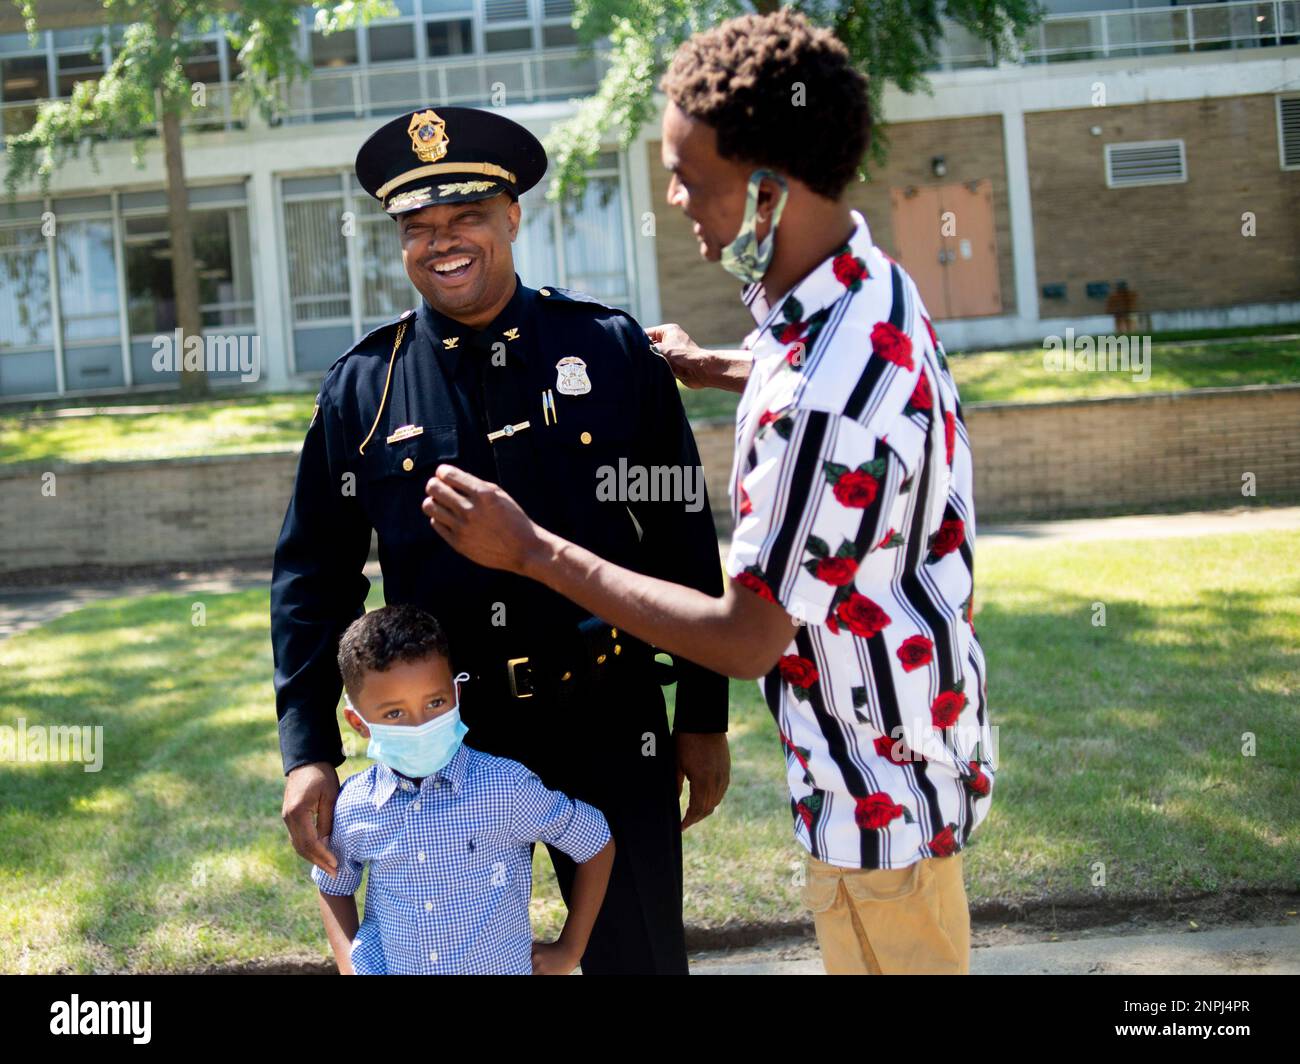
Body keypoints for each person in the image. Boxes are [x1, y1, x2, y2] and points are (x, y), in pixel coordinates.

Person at [422, 9, 995, 975]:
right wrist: (723, 368)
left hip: (875, 787)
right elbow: (851, 390)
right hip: (917, 728)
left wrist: (531, 550)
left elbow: (743, 636)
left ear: (767, 192)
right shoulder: (866, 286)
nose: (677, 198)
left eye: (694, 179)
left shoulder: (816, 402)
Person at [271, 105, 730, 975]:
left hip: (610, 716)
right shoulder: (364, 388)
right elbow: (313, 579)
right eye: (418, 227)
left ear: (512, 217)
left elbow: (680, 542)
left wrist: (701, 715)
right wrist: (310, 753)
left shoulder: (607, 350)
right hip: (447, 747)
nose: (442, 242)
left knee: (638, 959)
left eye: (467, 218)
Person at [313, 604, 614, 974]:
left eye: (435, 702)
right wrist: (350, 966)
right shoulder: (355, 806)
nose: (421, 724)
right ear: (358, 722)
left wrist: (570, 948)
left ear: (456, 695)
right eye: (394, 713)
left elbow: (595, 841)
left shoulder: (506, 787)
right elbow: (334, 883)